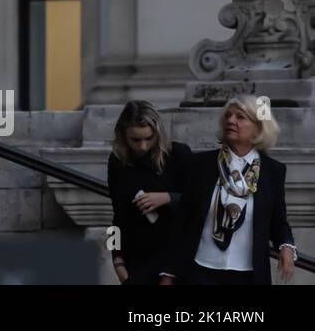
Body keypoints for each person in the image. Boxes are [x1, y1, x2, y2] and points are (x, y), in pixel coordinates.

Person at [160, 95, 297, 285]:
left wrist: (287, 246)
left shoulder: (273, 171)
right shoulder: (200, 164)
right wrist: (168, 273)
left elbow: (278, 222)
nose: (231, 120)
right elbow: (182, 222)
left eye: (240, 117)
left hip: (248, 276)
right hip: (199, 272)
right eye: (228, 116)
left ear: (258, 128)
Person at [105, 100, 191, 284]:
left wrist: (168, 198)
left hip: (175, 257)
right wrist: (117, 259)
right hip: (137, 258)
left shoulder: (178, 155)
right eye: (135, 140)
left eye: (149, 138)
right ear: (123, 135)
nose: (143, 146)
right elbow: (117, 216)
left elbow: (200, 204)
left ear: (158, 134)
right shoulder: (117, 163)